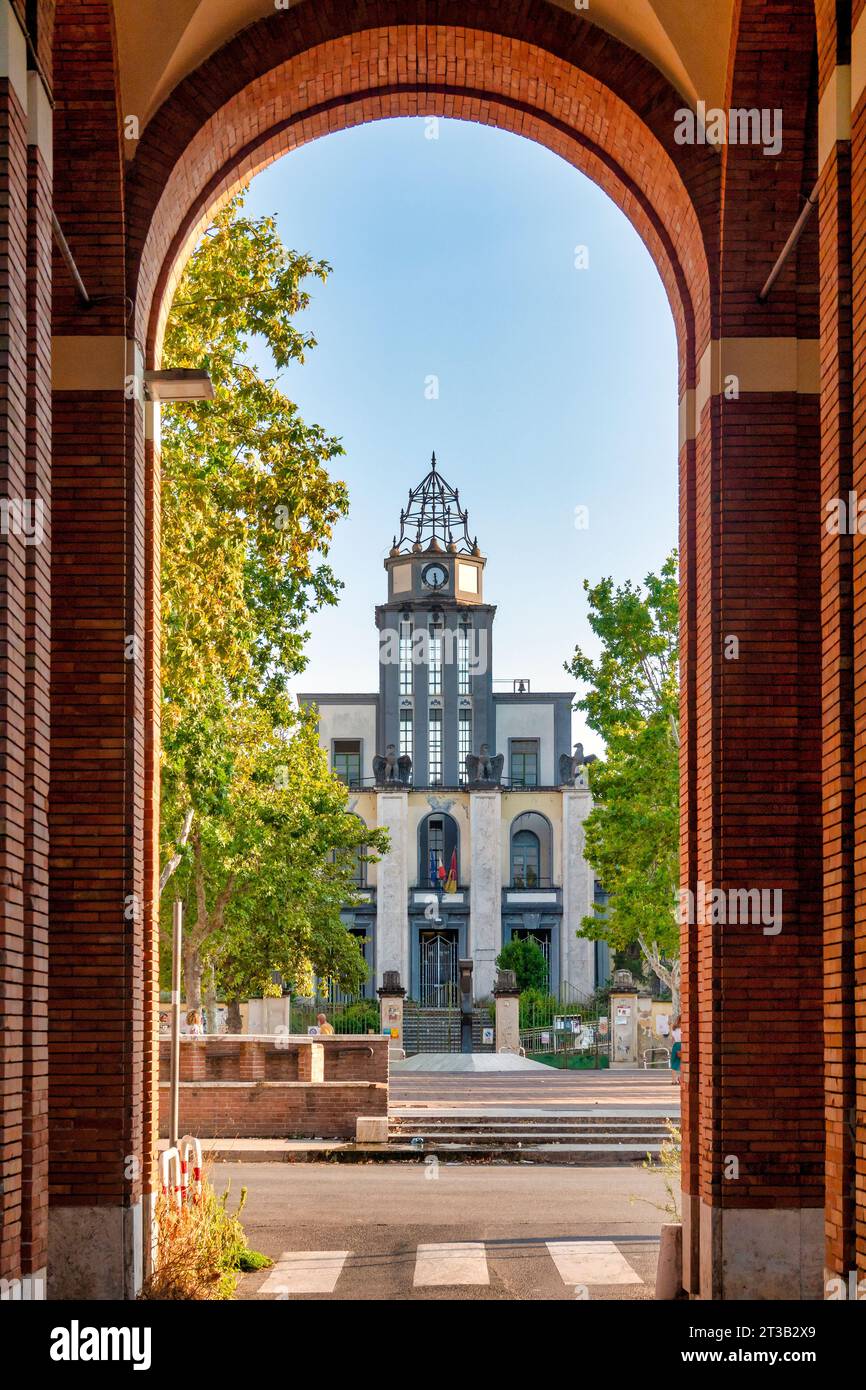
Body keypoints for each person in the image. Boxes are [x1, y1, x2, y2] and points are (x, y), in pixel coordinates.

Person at [670, 1015, 682, 1085]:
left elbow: (672, 1040)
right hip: (682, 1045)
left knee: (674, 1064)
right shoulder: (684, 1029)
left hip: (675, 1046)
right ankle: (681, 1079)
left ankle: (673, 1081)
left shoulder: (674, 1029)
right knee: (682, 1064)